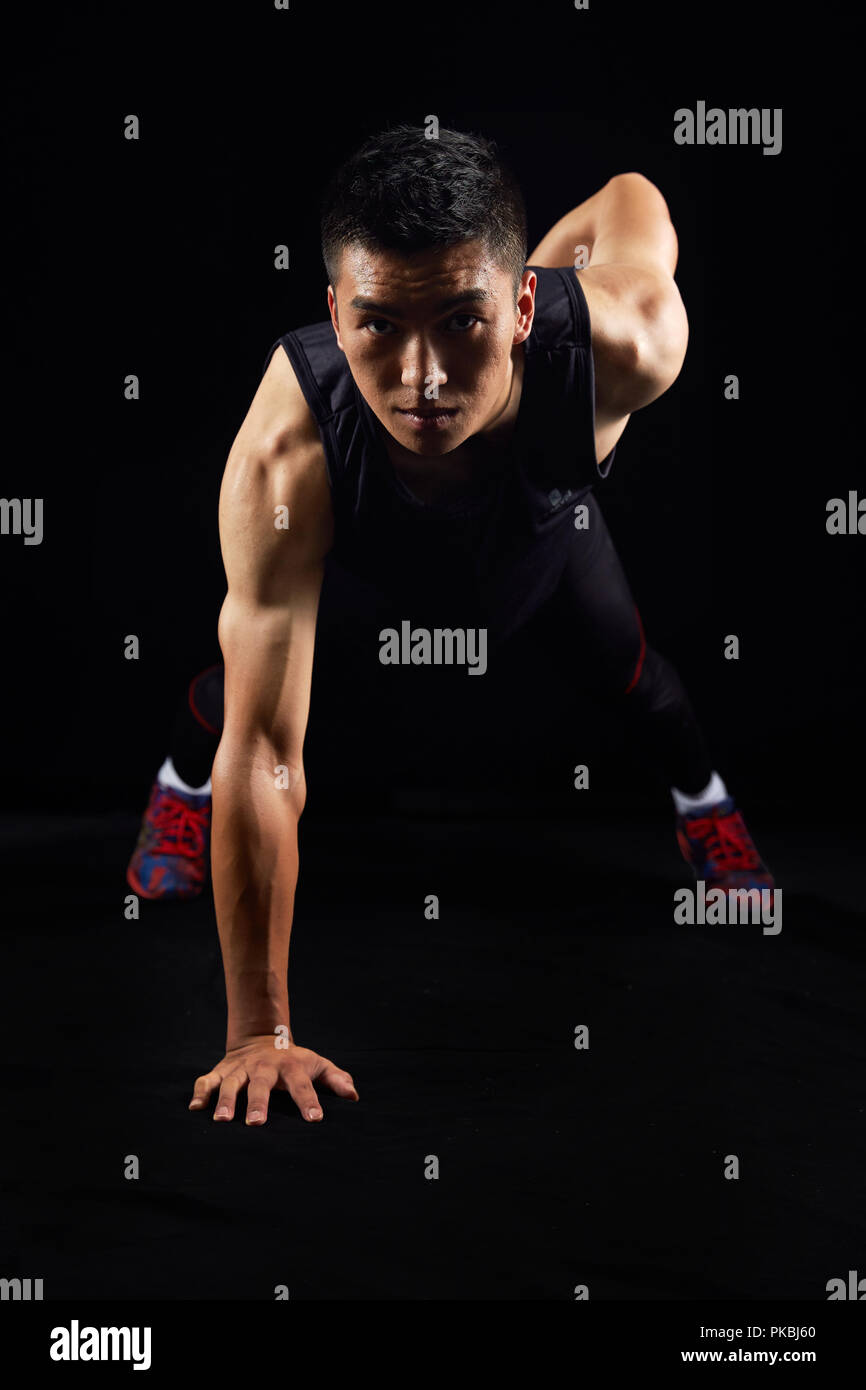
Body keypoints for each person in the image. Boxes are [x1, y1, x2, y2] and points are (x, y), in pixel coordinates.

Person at [126, 126, 773, 1126]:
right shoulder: (285, 448)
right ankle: (176, 790)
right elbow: (264, 751)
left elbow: (629, 191)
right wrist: (259, 1033)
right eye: (379, 324)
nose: (422, 375)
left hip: (541, 534)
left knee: (630, 671)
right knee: (246, 688)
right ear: (335, 314)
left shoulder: (627, 341)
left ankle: (704, 803)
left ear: (521, 306)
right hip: (366, 561)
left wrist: (545, 265)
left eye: (463, 321)